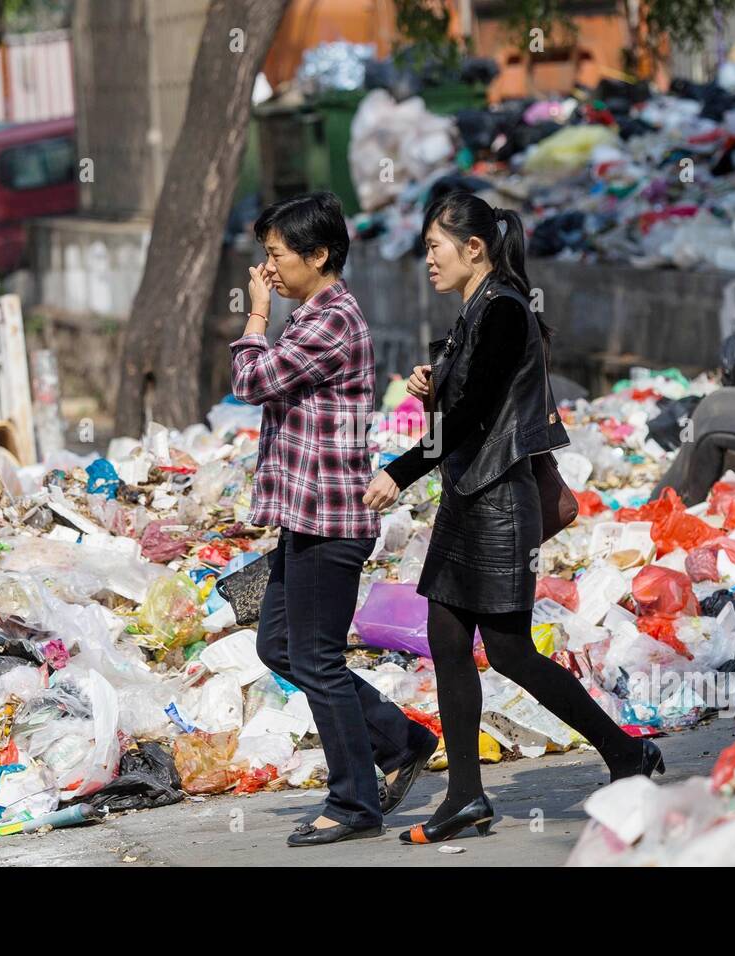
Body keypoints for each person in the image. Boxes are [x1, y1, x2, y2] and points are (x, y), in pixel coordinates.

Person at [362, 192, 665, 845]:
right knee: (447, 637)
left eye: (436, 247)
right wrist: (433, 386)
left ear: (474, 248)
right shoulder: (483, 308)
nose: (428, 260)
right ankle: (468, 795)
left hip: (497, 501)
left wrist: (398, 471)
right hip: (473, 497)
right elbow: (473, 402)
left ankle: (626, 753)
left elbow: (471, 417)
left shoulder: (501, 310)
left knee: (507, 650)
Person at [230, 192, 439, 848]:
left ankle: (353, 801)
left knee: (316, 658)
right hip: (305, 515)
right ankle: (399, 738)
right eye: (264, 259)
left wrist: (256, 313)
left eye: (276, 258)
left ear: (318, 256)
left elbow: (250, 381)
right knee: (279, 647)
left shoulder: (330, 321)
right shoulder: (313, 314)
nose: (268, 271)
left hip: (332, 518)